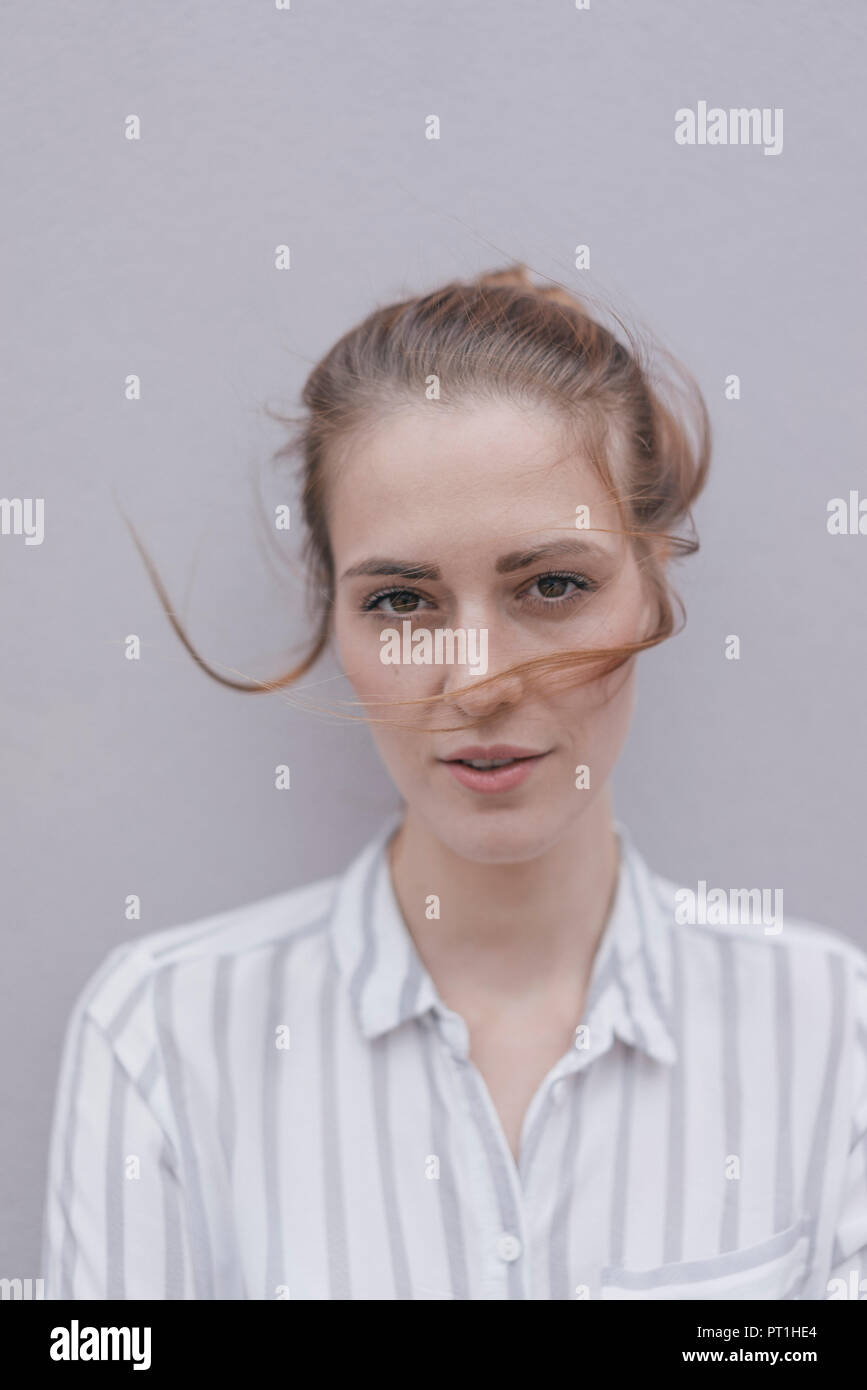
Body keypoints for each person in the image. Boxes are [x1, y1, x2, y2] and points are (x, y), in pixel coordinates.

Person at [42, 265, 867, 1300]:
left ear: (651, 577)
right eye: (399, 600)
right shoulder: (160, 1036)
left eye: (554, 585)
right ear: (332, 615)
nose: (477, 683)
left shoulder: (833, 1029)